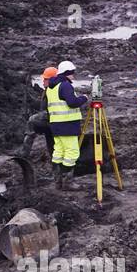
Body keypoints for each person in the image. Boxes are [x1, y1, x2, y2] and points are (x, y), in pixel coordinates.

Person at [46, 60, 89, 189]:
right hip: (67, 125)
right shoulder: (65, 85)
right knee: (72, 152)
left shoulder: (51, 87)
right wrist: (84, 98)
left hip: (55, 124)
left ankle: (57, 181)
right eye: (71, 73)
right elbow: (72, 102)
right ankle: (67, 182)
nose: (73, 76)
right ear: (66, 73)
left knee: (58, 151)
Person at [18, 66, 57, 161]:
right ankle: (57, 173)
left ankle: (24, 153)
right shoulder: (49, 90)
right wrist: (31, 101)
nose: (43, 81)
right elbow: (43, 106)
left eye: (45, 79)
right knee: (52, 146)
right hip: (51, 121)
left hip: (54, 120)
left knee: (32, 121)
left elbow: (52, 109)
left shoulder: (54, 91)